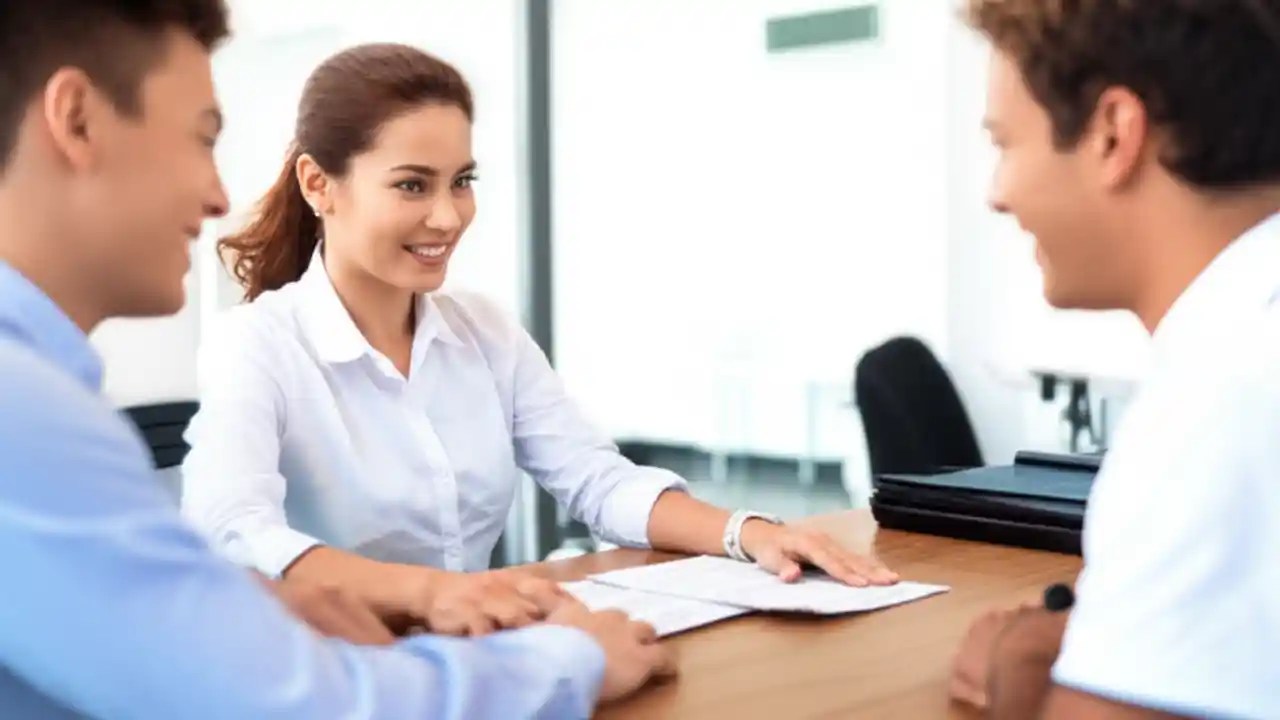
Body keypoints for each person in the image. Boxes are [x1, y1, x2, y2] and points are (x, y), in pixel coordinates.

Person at [0, 1, 674, 717]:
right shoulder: (26, 416)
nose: (218, 193)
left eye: (461, 181)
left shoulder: (41, 398)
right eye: (200, 140)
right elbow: (298, 702)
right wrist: (570, 660)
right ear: (75, 119)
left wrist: (263, 605)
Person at [180, 41, 899, 637]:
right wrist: (431, 594)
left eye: (461, 180)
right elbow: (234, 533)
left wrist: (750, 532)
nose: (447, 216)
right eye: (411, 186)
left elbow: (595, 479)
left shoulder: (482, 330)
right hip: (338, 672)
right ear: (318, 184)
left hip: (477, 650)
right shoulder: (259, 344)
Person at [949, 1, 1280, 718]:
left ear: (1112, 133)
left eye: (1005, 145)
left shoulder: (1212, 405)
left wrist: (1018, 675)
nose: (997, 194)